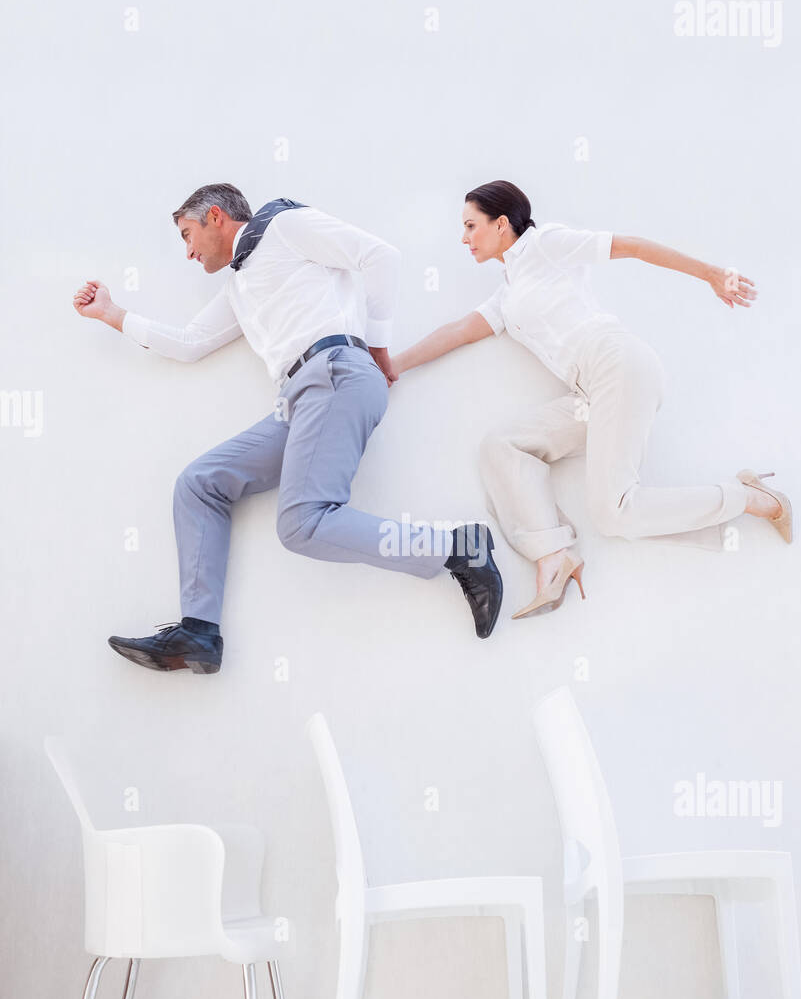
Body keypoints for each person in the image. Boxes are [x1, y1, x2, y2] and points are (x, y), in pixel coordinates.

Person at [72, 184, 503, 672]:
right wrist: (111, 315)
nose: (188, 252)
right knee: (199, 483)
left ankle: (458, 548)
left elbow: (380, 256)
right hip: (298, 400)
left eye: (187, 235)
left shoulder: (285, 227)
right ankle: (198, 633)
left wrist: (378, 347)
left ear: (216, 217)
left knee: (302, 524)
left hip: (336, 371)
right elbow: (191, 342)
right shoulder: (239, 284)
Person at [391, 180, 791, 619]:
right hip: (589, 390)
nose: (464, 238)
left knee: (614, 513)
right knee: (502, 446)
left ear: (501, 223)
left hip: (616, 363)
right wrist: (392, 366)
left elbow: (633, 246)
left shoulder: (545, 245)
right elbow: (458, 331)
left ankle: (750, 497)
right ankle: (552, 555)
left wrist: (712, 274)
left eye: (471, 225)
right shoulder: (508, 294)